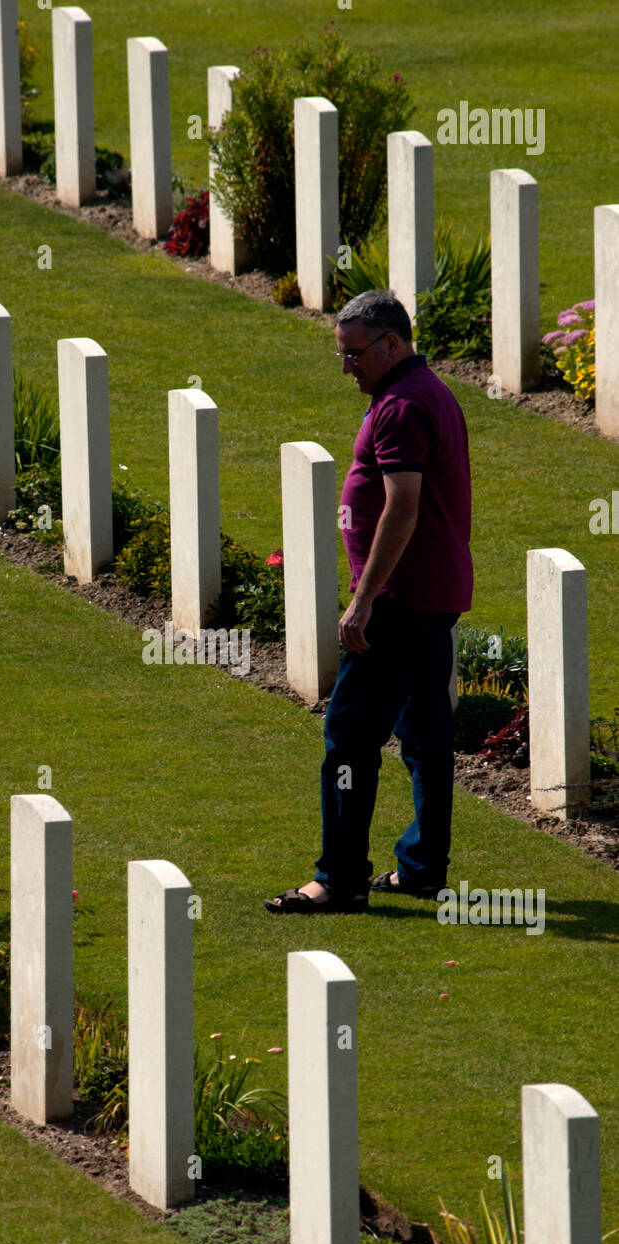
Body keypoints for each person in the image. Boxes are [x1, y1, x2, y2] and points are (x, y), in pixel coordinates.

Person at [265, 289, 473, 915]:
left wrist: (363, 601)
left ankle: (339, 878)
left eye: (354, 353)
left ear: (391, 343)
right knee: (424, 734)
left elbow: (401, 510)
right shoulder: (425, 391)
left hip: (401, 602)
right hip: (432, 596)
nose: (345, 365)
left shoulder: (403, 406)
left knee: (350, 736)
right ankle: (422, 867)